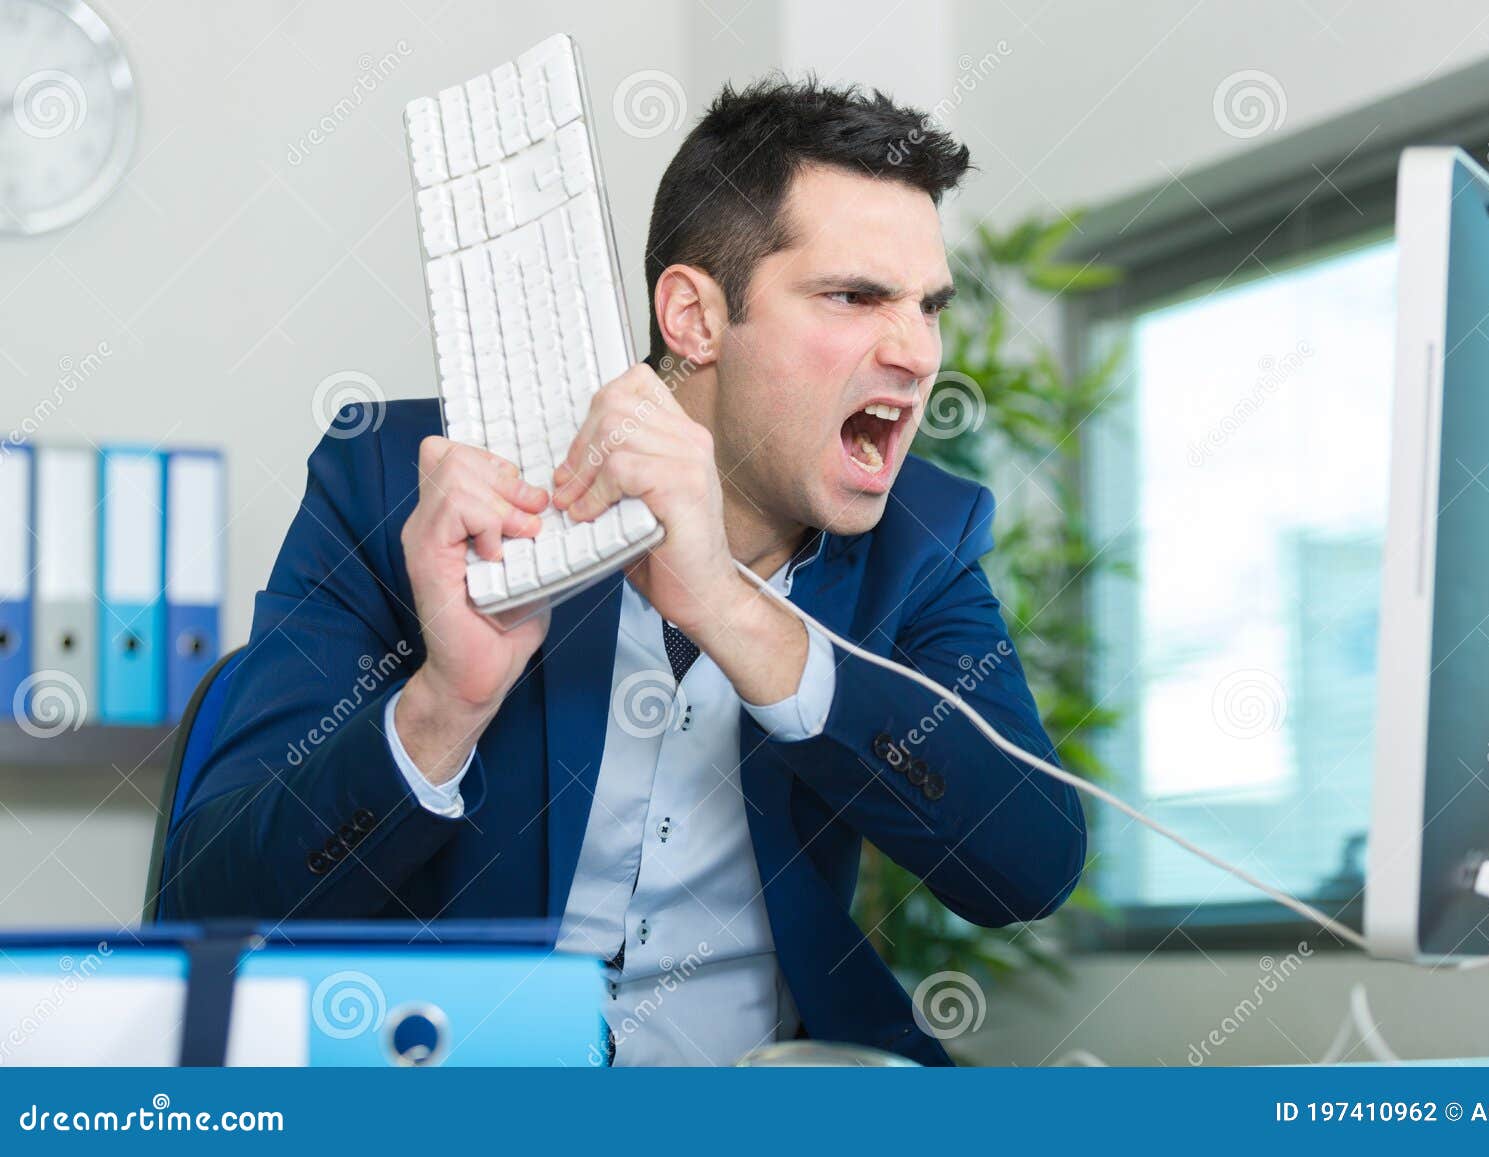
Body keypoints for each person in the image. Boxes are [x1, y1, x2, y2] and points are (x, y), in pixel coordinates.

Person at [163, 76, 1087, 1066]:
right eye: (854, 296)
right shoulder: (401, 485)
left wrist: (732, 613)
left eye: (927, 306)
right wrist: (443, 704)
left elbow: (1024, 865)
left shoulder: (924, 535)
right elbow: (209, 903)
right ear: (693, 317)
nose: (914, 352)